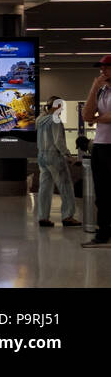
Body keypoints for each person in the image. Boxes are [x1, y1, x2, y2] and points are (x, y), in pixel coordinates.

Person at [36, 97, 78, 228]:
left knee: (45, 188)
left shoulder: (40, 120)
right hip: (54, 156)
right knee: (65, 186)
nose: (62, 108)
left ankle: (43, 217)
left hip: (41, 156)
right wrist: (68, 155)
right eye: (61, 106)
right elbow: (58, 141)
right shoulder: (55, 119)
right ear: (55, 106)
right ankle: (68, 216)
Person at [82, 57, 111, 248]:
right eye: (101, 68)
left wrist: (96, 119)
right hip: (100, 145)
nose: (103, 71)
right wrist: (94, 87)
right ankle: (103, 233)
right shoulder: (102, 91)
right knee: (102, 192)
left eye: (107, 68)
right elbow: (86, 115)